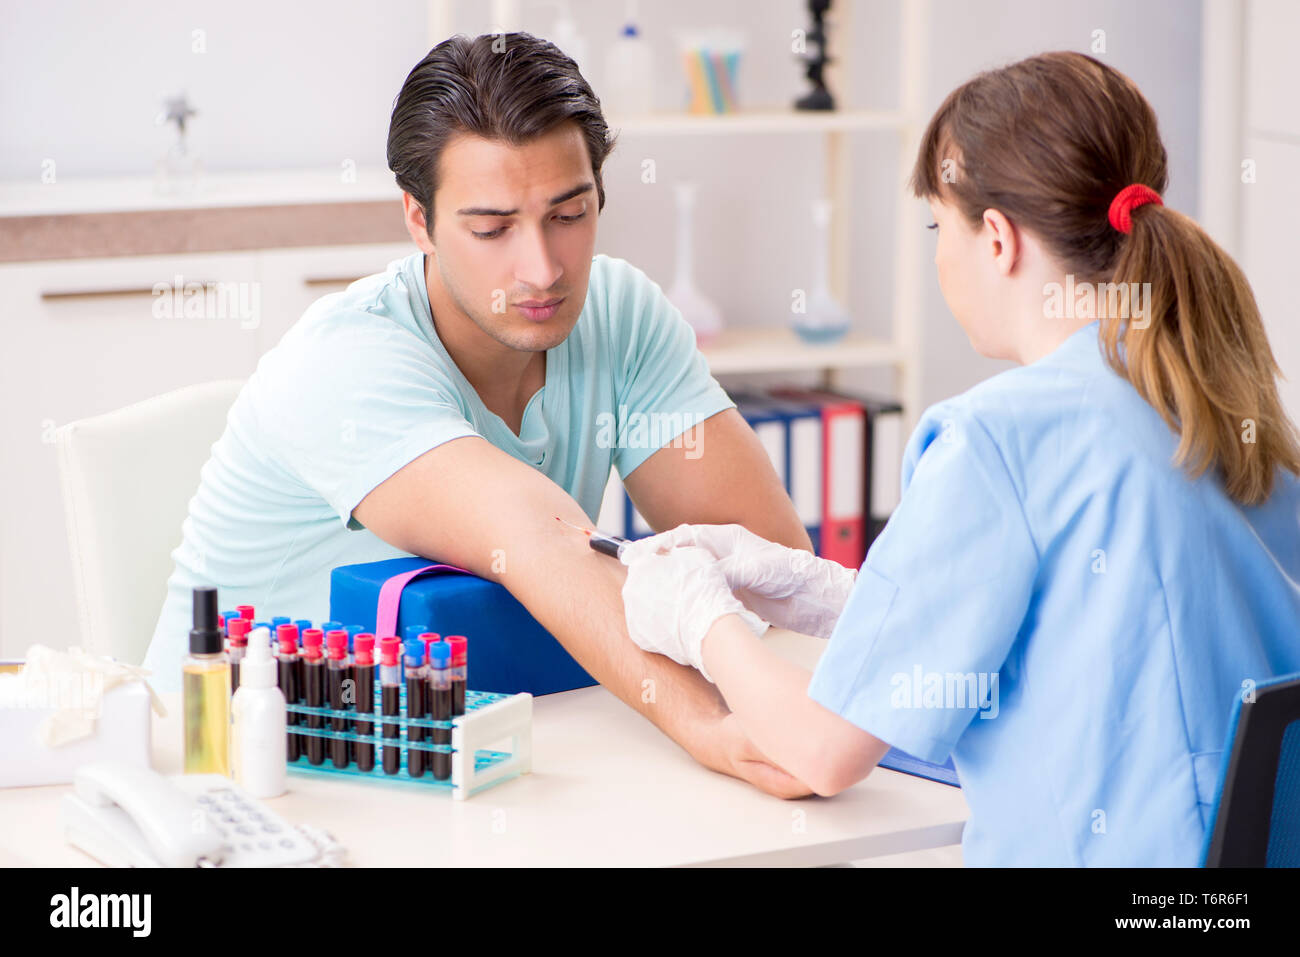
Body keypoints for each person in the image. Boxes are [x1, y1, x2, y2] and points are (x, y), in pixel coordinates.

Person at [618, 50, 1300, 866]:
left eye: (941, 227)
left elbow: (822, 752)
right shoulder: (1216, 399)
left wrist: (700, 616)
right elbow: (1092, 629)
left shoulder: (996, 439)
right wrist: (836, 599)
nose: (940, 254)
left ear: (1000, 239)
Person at [142, 33, 813, 796]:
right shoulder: (346, 360)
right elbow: (535, 543)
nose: (542, 269)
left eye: (569, 213)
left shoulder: (620, 313)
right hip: (228, 763)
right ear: (419, 220)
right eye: (492, 229)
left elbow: (773, 570)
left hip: (458, 742)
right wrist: (708, 724)